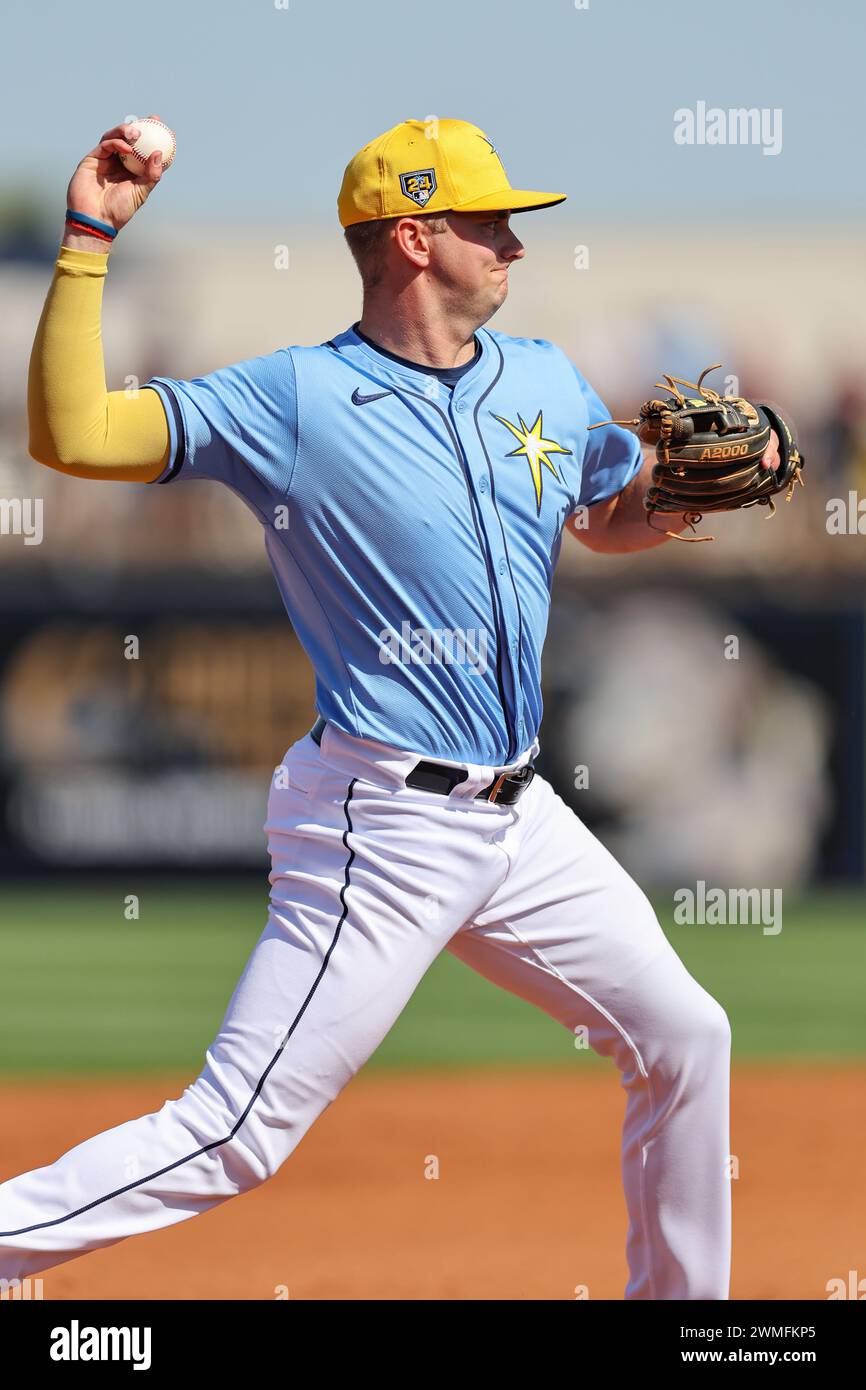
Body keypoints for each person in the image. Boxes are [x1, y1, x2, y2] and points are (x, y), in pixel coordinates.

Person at [1, 115, 781, 1299]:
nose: (516, 243)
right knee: (235, 1131)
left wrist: (686, 499)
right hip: (383, 820)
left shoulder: (542, 378)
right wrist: (87, 240)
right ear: (414, 239)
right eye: (491, 222)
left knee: (686, 1033)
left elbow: (607, 516)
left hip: (522, 817)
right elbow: (75, 435)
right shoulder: (297, 399)